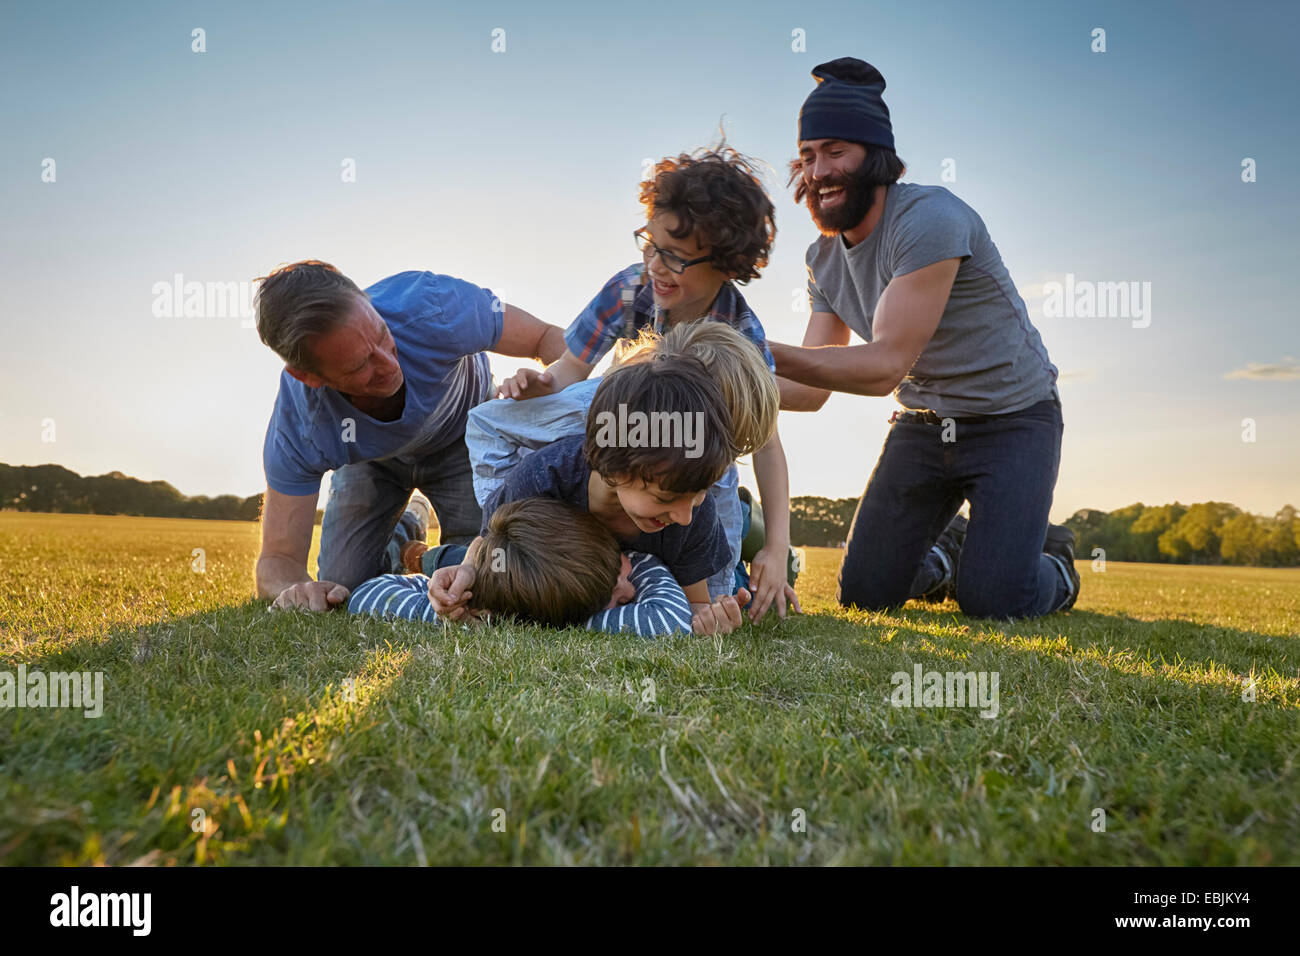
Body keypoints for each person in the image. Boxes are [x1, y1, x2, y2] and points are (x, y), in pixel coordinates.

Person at [770, 57, 1079, 619]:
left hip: (1013, 418)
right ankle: (952, 549)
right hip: (924, 426)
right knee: (865, 594)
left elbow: (885, 365)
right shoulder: (821, 260)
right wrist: (720, 378)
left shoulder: (931, 218)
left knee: (996, 601)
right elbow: (810, 384)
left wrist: (750, 347)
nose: (818, 171)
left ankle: (1054, 561)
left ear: (876, 157)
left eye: (836, 151)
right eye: (808, 155)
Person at [496, 146, 797, 619]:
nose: (655, 265)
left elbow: (766, 444)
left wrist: (778, 548)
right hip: (635, 447)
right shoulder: (630, 288)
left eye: (675, 258)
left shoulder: (741, 332)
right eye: (650, 244)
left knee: (711, 577)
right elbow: (572, 368)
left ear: (727, 265)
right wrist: (542, 382)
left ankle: (741, 557)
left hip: (705, 467)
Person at [252, 260, 567, 610]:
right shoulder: (301, 421)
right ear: (310, 378)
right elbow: (278, 560)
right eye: (360, 365)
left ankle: (419, 554)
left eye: (383, 335)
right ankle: (406, 526)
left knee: (486, 572)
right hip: (373, 464)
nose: (389, 365)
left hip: (467, 442)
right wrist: (295, 588)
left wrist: (555, 386)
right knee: (345, 586)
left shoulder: (432, 304)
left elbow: (549, 337)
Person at [461, 321, 800, 617]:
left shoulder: (701, 490)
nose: (713, 457)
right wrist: (512, 528)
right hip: (608, 524)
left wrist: (728, 588)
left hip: (683, 530)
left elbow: (709, 569)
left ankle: (770, 545)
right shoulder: (595, 423)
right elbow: (489, 435)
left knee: (744, 558)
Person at [429, 354, 750, 635]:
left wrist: (710, 619)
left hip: (661, 565)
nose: (685, 516)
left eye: (698, 495)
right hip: (558, 566)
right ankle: (420, 554)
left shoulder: (695, 516)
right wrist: (468, 574)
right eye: (665, 498)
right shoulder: (539, 480)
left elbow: (694, 605)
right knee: (466, 562)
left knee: (738, 569)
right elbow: (492, 547)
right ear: (611, 467)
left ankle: (749, 515)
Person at [349, 498, 695, 637]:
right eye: (614, 596)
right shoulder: (473, 608)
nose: (633, 589)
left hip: (483, 558)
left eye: (623, 568)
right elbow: (364, 594)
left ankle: (417, 549)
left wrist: (630, 562)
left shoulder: (572, 563)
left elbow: (643, 564)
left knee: (447, 558)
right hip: (480, 567)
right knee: (433, 563)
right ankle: (411, 535)